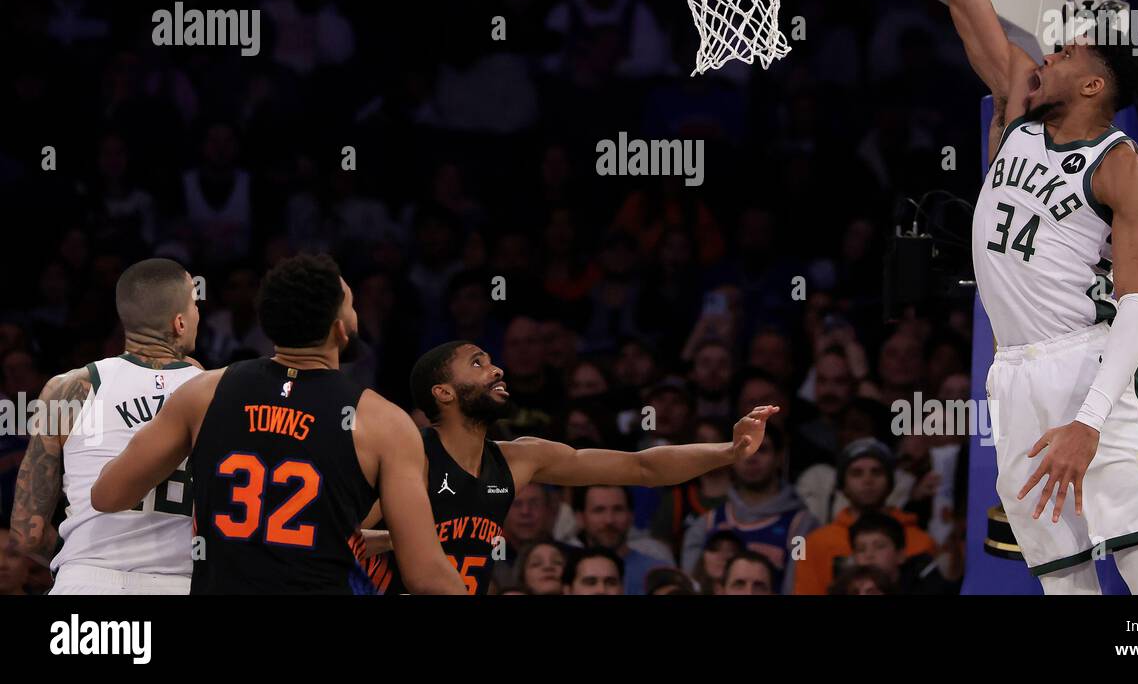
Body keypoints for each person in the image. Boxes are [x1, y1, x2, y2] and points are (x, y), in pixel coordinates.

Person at [881, 0, 1138, 594]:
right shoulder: (1013, 103)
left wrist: (1090, 421)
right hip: (1012, 374)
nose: (1045, 54)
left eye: (1068, 52)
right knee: (1060, 579)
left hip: (1092, 368)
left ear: (1097, 85)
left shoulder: (1123, 171)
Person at [91, 254, 464, 595]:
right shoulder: (384, 423)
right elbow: (426, 575)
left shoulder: (203, 392)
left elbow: (107, 495)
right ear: (340, 329)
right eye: (350, 303)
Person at [364, 340, 777, 595]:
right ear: (444, 393)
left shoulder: (519, 458)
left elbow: (643, 468)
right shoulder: (411, 457)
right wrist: (402, 539)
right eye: (477, 363)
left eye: (491, 361)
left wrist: (729, 452)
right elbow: (339, 536)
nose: (496, 369)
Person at [11, 258, 204, 595]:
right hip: (179, 582)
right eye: (194, 306)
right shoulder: (215, 391)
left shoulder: (70, 388)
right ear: (180, 323)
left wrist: (75, 560)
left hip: (87, 581)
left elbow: (28, 532)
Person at [681, 424, 820, 594]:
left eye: (761, 449)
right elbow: (691, 588)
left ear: (779, 457)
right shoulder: (706, 524)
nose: (752, 458)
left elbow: (798, 588)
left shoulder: (800, 526)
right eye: (744, 449)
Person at [794, 438, 936, 594]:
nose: (867, 480)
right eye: (857, 473)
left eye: (877, 472)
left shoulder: (922, 542)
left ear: (891, 483)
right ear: (843, 486)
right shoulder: (815, 543)